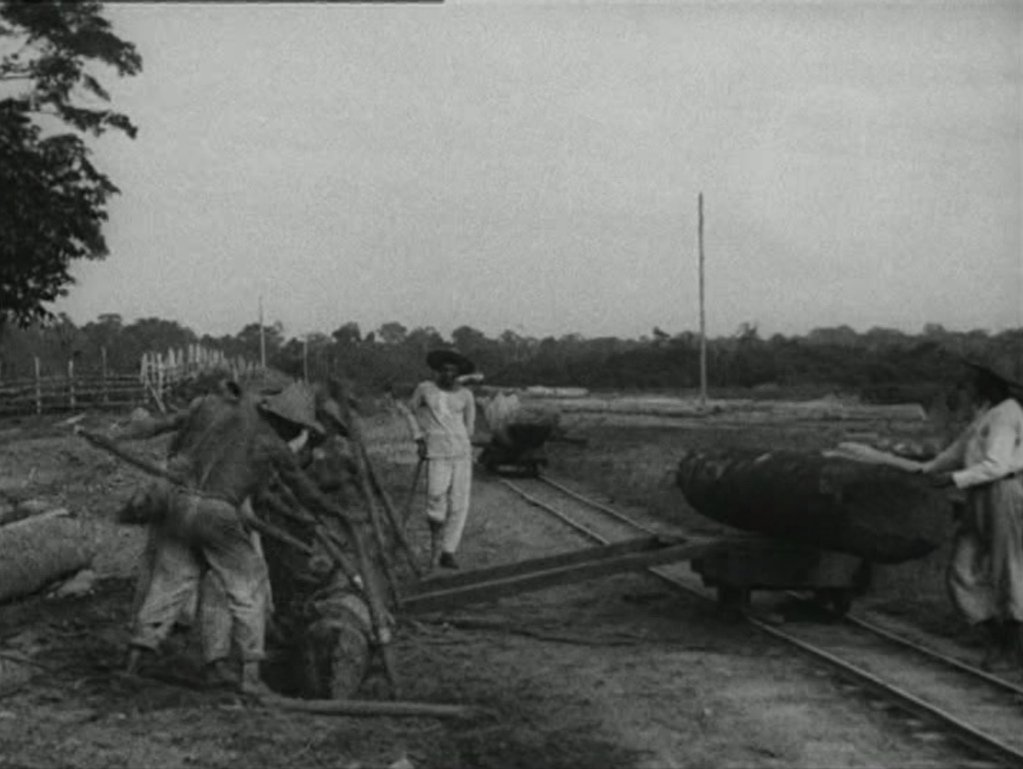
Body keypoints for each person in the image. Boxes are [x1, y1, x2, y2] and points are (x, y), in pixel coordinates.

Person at [110, 379, 365, 694]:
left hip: (181, 505)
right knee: (249, 587)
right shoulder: (273, 445)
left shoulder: (227, 425)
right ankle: (251, 677)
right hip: (217, 513)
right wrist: (337, 512)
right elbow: (304, 490)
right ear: (289, 423)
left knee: (170, 584)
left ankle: (134, 661)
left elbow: (254, 485)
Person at [918, 358, 1023, 671]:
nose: (966, 386)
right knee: (961, 571)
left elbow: (996, 465)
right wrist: (922, 470)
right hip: (980, 493)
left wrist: (952, 479)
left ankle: (1010, 646)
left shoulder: (1007, 415)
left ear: (991, 383)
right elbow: (956, 452)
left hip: (1004, 492)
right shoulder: (986, 415)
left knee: (1009, 569)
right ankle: (997, 634)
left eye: (972, 381)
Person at [406, 349, 477, 569]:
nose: (448, 374)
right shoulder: (425, 389)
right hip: (437, 453)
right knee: (436, 497)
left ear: (458, 374)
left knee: (459, 503)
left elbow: (470, 427)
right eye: (444, 370)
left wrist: (461, 440)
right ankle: (435, 546)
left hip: (461, 453)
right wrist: (419, 437)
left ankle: (448, 551)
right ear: (437, 371)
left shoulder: (466, 395)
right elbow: (409, 411)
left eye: (453, 371)